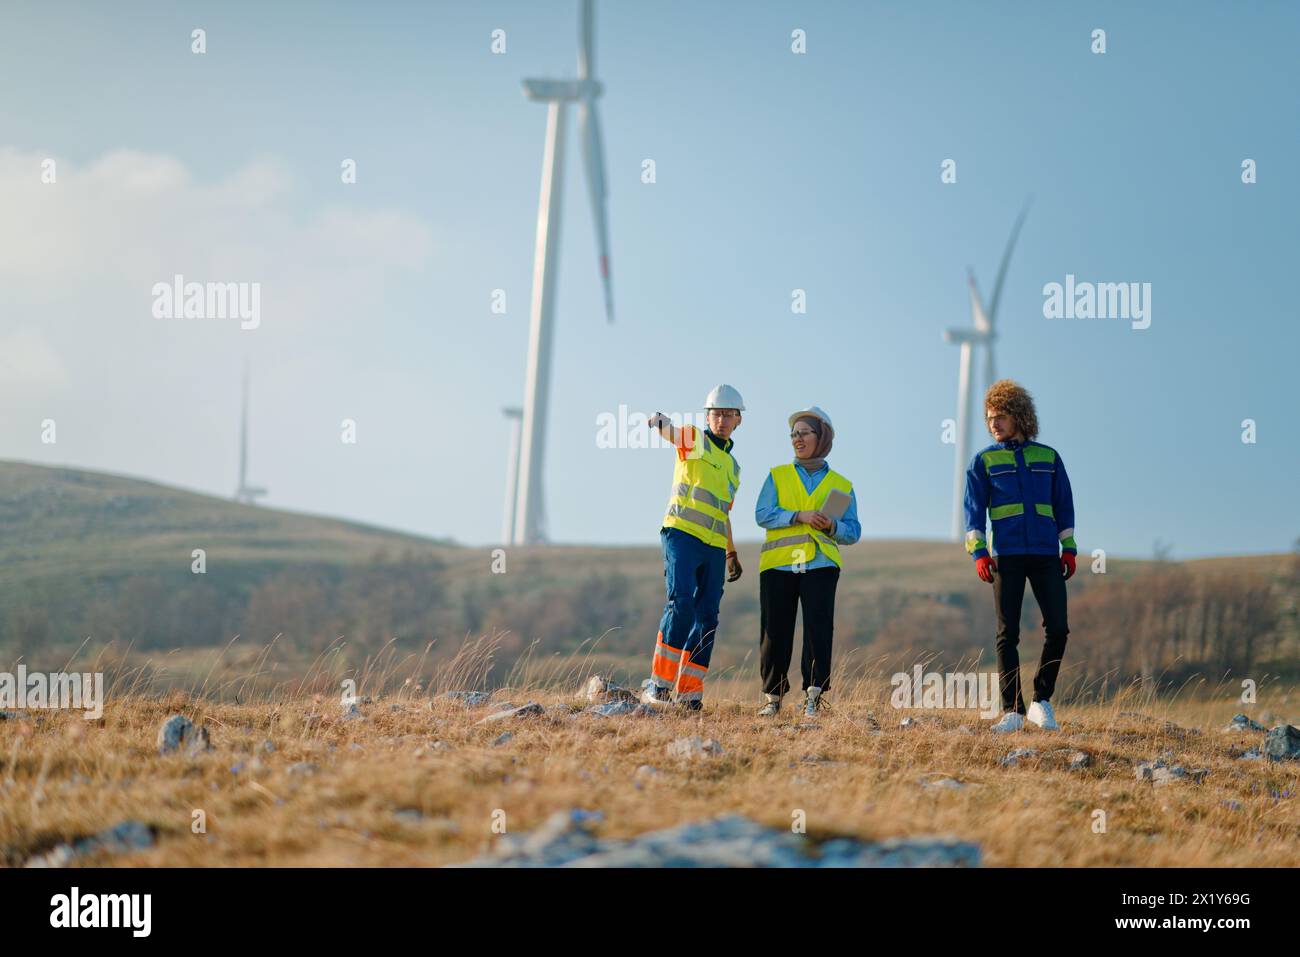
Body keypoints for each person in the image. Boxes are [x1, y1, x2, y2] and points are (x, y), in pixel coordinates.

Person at [963, 379, 1077, 733]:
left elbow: (1064, 505)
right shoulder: (983, 460)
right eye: (988, 418)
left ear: (1020, 416)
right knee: (1006, 632)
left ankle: (1042, 702)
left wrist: (1069, 547)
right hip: (1006, 556)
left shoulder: (1049, 457)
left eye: (1000, 416)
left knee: (1058, 627)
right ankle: (1012, 709)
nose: (993, 424)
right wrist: (979, 552)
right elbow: (973, 512)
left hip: (1045, 554)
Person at [639, 385, 745, 711]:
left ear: (739, 419)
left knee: (708, 616)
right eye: (717, 414)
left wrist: (731, 552)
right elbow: (668, 431)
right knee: (681, 601)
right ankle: (659, 685)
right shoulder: (694, 440)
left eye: (729, 415)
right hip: (682, 535)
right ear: (707, 416)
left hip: (713, 546)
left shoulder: (734, 469)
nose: (722, 420)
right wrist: (658, 421)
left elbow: (723, 512)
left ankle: (689, 694)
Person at [754, 406, 860, 718]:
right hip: (779, 565)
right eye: (793, 434)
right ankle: (772, 698)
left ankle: (814, 696)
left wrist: (831, 526)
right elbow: (762, 514)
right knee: (775, 632)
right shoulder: (778, 475)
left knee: (818, 631)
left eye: (803, 433)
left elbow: (852, 532)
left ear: (821, 436)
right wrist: (798, 516)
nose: (796, 439)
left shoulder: (841, 485)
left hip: (821, 566)